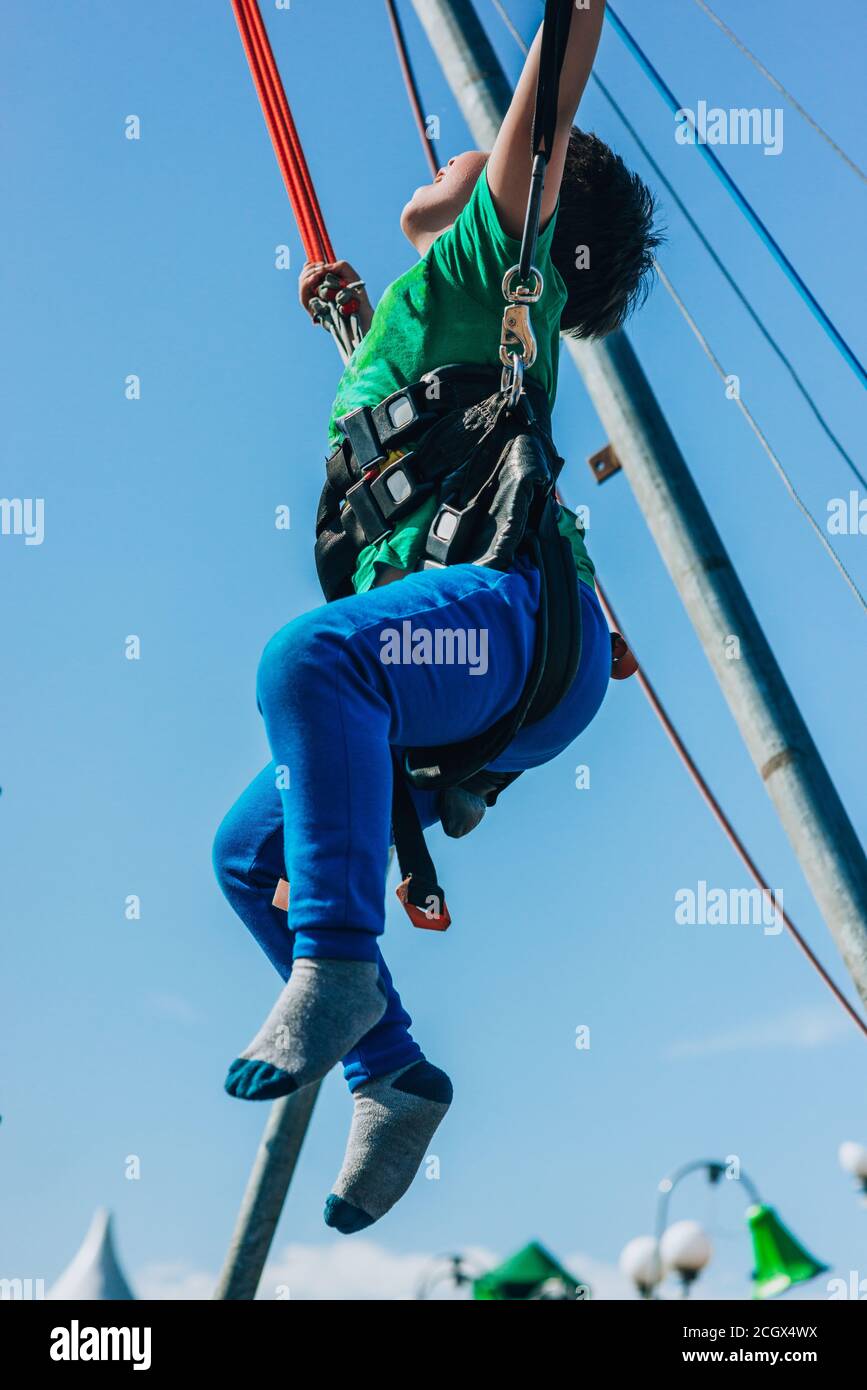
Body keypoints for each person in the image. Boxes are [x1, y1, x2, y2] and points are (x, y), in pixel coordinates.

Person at [213, 1, 659, 1235]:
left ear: (539, 199)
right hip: (467, 666)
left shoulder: (492, 261)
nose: (457, 153)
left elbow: (554, 89)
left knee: (308, 664)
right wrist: (354, 322)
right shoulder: (427, 309)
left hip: (506, 631)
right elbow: (413, 439)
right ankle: (394, 1075)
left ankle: (341, 964)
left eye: (494, 153)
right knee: (247, 856)